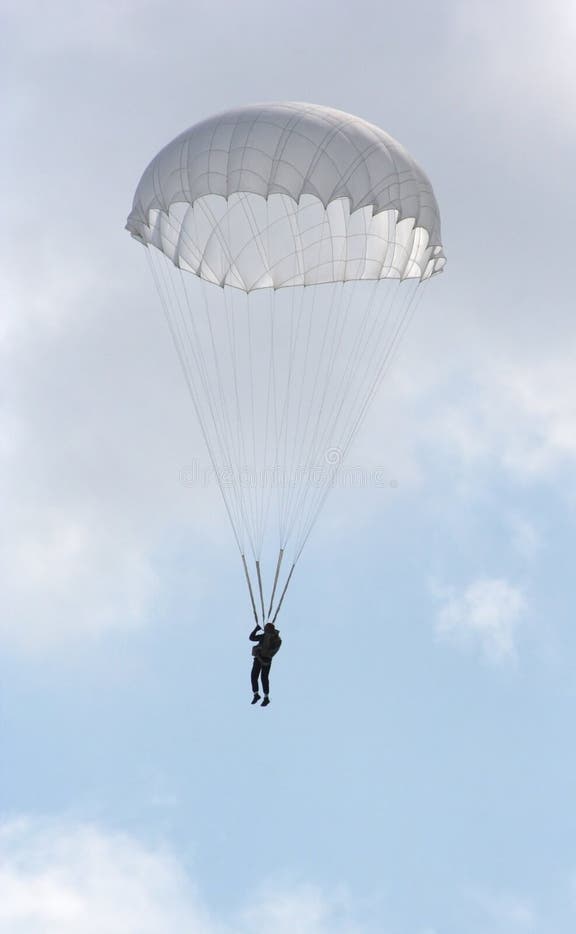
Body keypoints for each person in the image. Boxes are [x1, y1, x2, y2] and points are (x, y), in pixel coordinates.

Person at [249, 621, 282, 706]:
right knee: (254, 676)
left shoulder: (277, 639)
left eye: (266, 629)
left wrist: (261, 654)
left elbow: (273, 651)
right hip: (259, 657)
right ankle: (256, 694)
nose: (265, 631)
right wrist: (256, 629)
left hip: (266, 660)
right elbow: (252, 638)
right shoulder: (264, 636)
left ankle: (266, 697)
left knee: (264, 678)